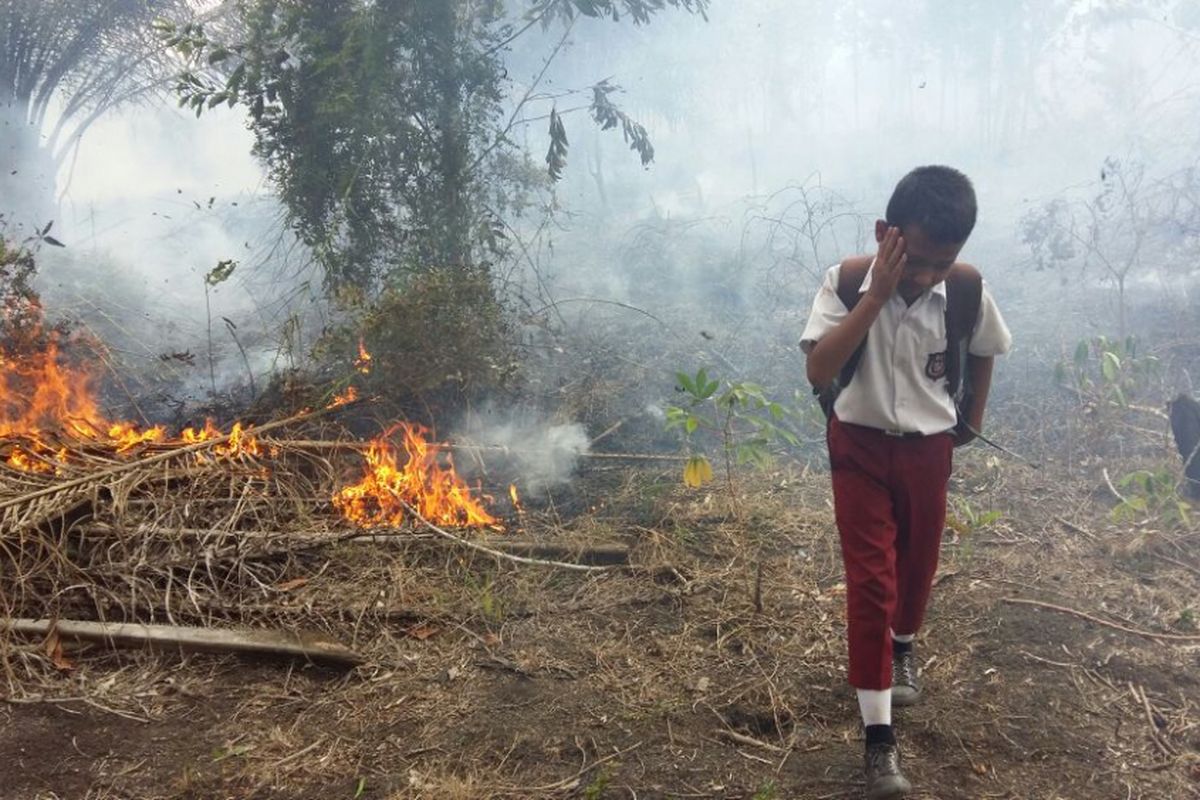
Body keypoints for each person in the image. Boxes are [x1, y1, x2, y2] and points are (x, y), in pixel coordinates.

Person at [799, 165, 1012, 799]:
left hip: (927, 451)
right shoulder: (845, 282)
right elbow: (818, 368)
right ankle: (879, 742)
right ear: (884, 234)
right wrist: (875, 296)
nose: (922, 277)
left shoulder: (966, 289)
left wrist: (969, 421)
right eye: (914, 260)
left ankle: (904, 644)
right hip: (857, 448)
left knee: (916, 565)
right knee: (871, 580)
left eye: (938, 264)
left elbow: (984, 347)